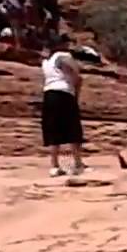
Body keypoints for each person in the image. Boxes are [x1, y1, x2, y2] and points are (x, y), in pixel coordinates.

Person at [40, 34, 85, 177]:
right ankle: (77, 163)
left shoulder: (46, 61)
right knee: (72, 128)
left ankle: (54, 165)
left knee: (53, 129)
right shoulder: (62, 55)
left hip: (49, 93)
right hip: (64, 92)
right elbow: (76, 73)